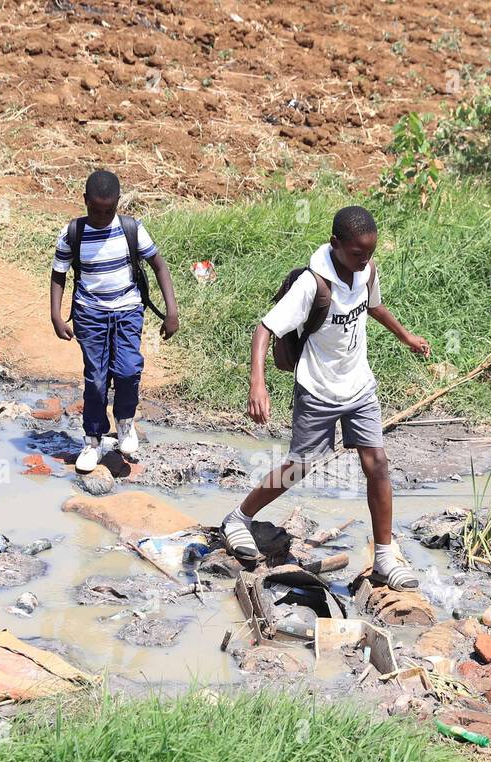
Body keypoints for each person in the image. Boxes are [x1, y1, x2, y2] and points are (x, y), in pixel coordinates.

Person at [221, 205, 430, 590]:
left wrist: (406, 336)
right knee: (300, 466)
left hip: (358, 386)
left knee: (377, 464)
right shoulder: (312, 285)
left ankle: (384, 556)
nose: (363, 260)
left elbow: (374, 304)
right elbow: (265, 328)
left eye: (369, 253)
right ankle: (238, 518)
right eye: (356, 254)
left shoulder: (365, 269)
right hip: (317, 389)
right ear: (335, 244)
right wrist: (257, 384)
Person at [50, 169, 178, 472]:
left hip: (128, 310)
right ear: (85, 202)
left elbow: (159, 265)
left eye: (109, 210)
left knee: (129, 369)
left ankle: (124, 422)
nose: (102, 216)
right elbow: (59, 273)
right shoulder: (73, 233)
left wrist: (171, 311)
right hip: (89, 313)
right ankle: (93, 440)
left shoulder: (131, 229)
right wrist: (56, 314)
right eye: (95, 210)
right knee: (95, 378)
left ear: (118, 203)